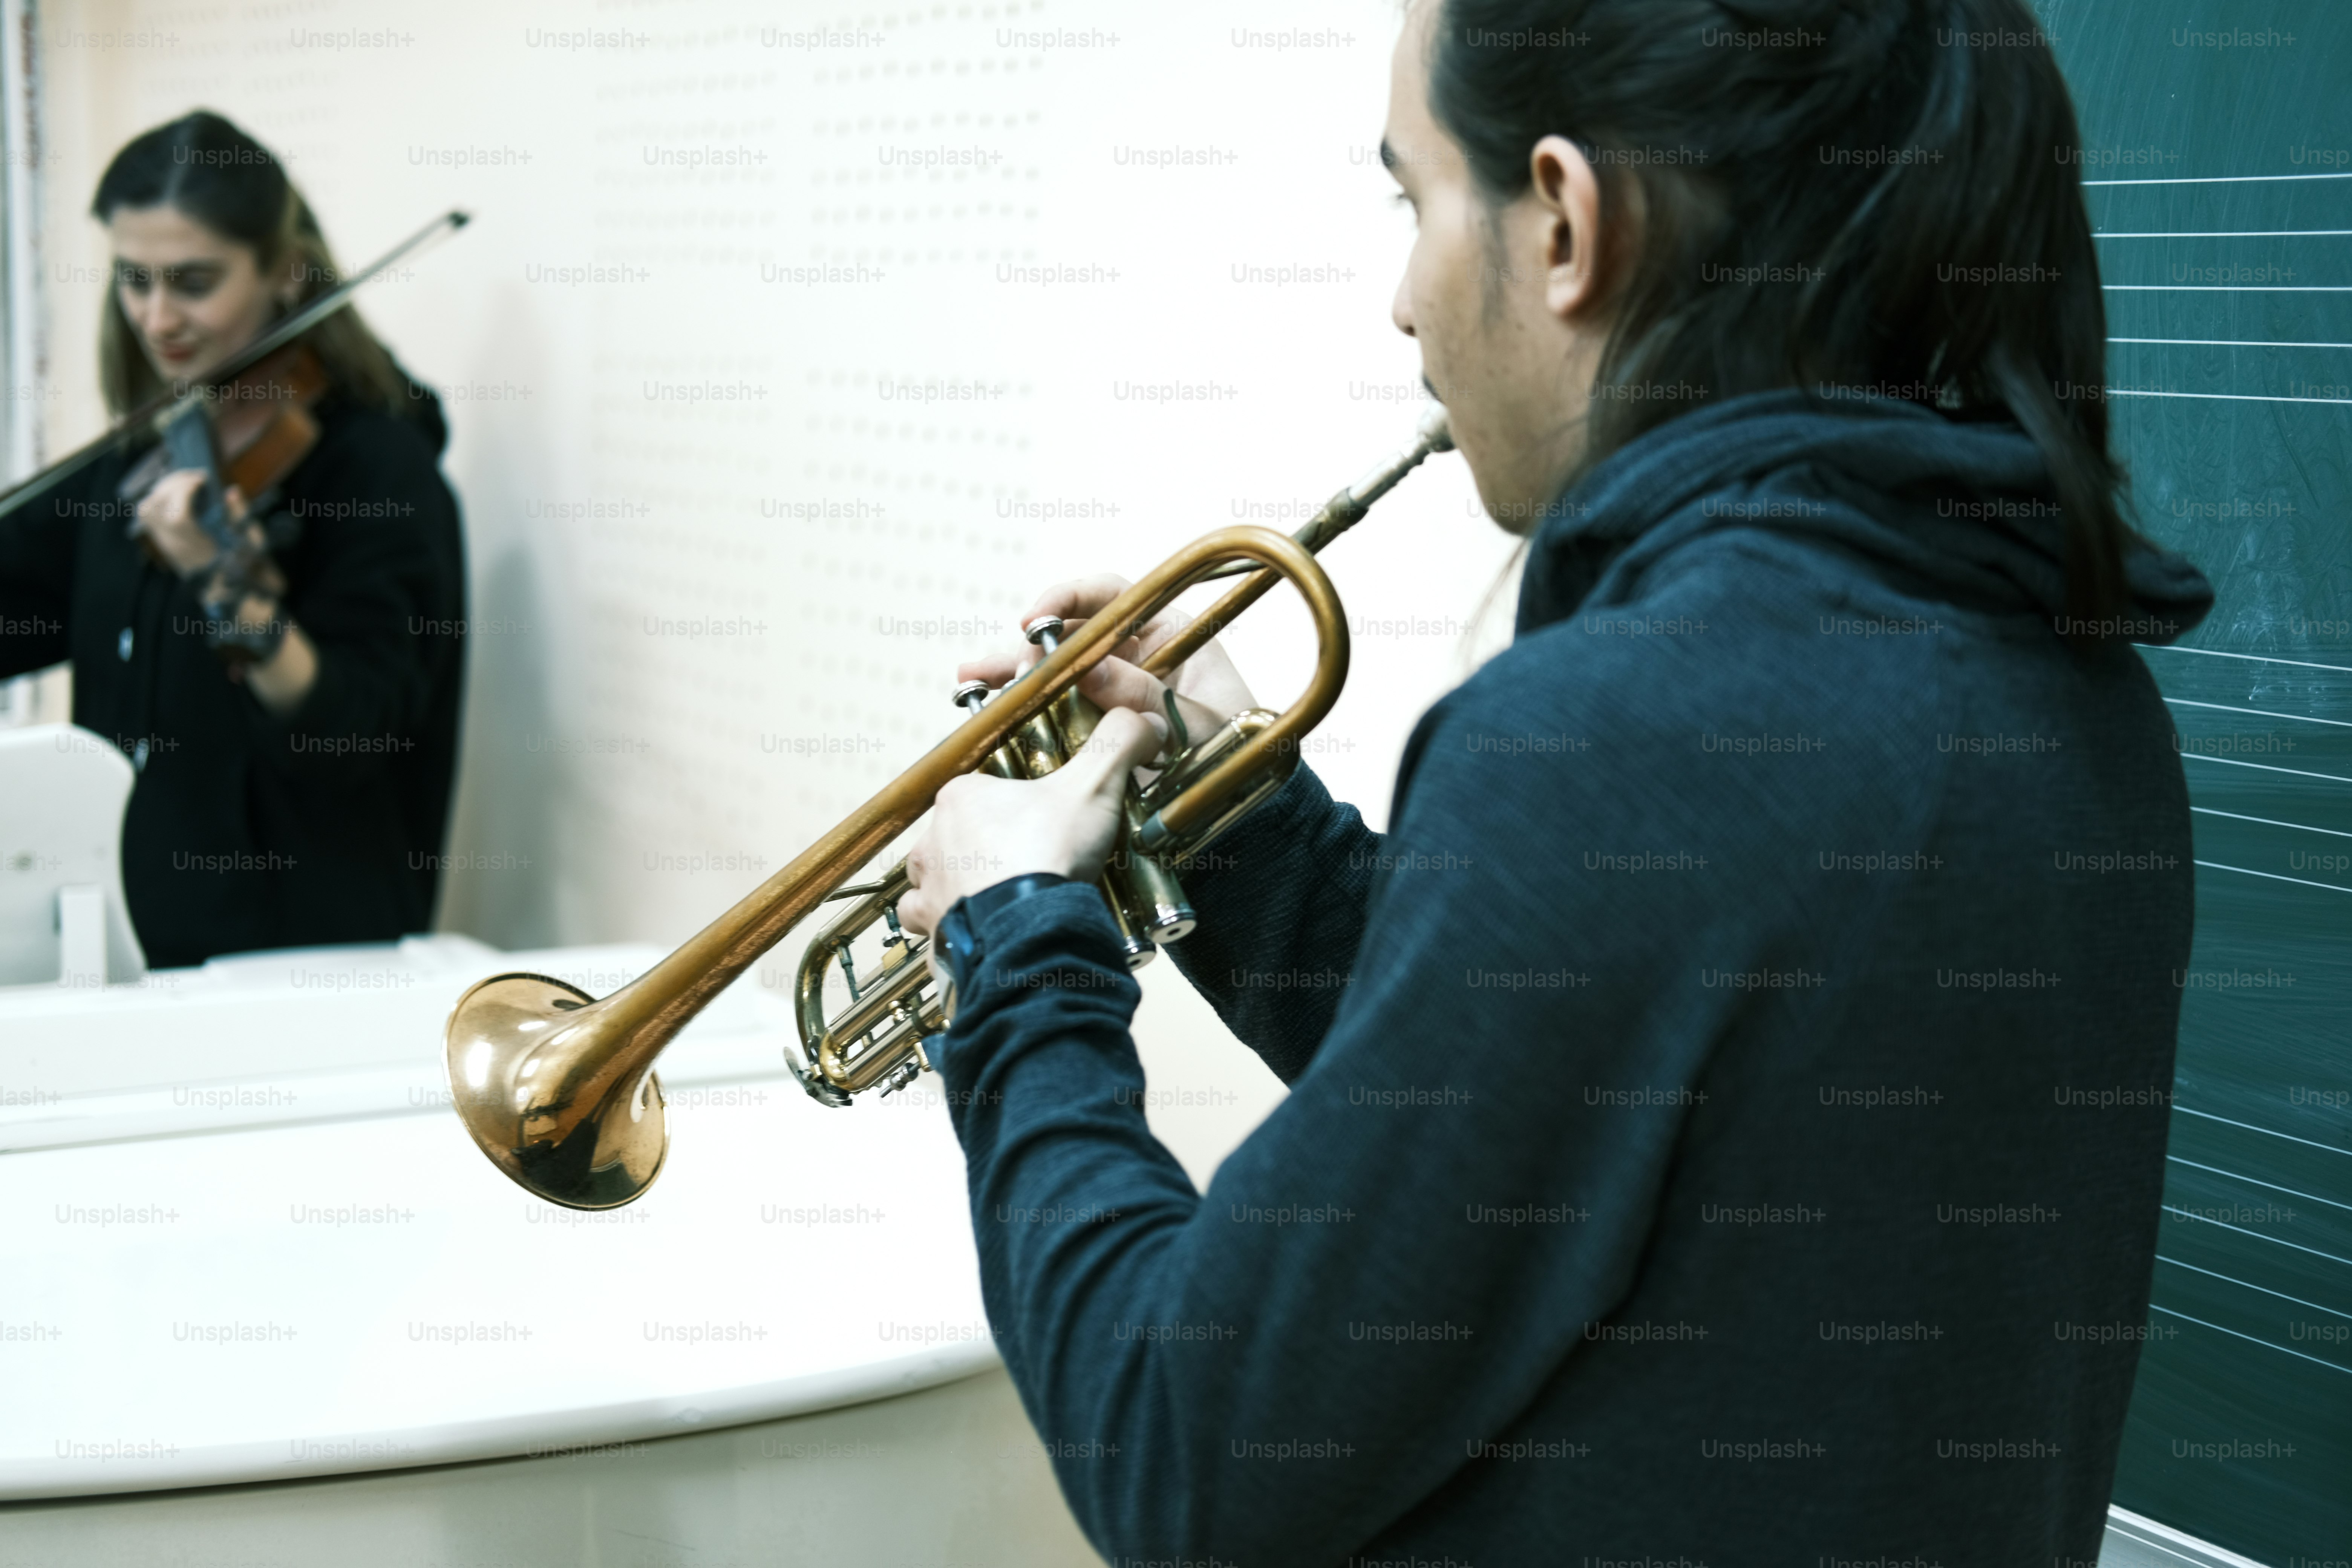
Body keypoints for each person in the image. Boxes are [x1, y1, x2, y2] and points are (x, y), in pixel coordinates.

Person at [893, 0, 2214, 1562]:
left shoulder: (1611, 730)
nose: (1403, 306)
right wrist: (1243, 822)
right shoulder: (2077, 693)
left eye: (1418, 198)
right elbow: (1551, 1126)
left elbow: (1183, 1446)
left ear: (1570, 221)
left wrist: (1019, 946)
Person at [0, 111, 465, 969]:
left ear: (286, 272)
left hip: (291, 966)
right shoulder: (143, 456)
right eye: (134, 280)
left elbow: (352, 732)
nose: (156, 315)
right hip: (133, 948)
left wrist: (227, 585)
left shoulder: (379, 474)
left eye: (193, 281)